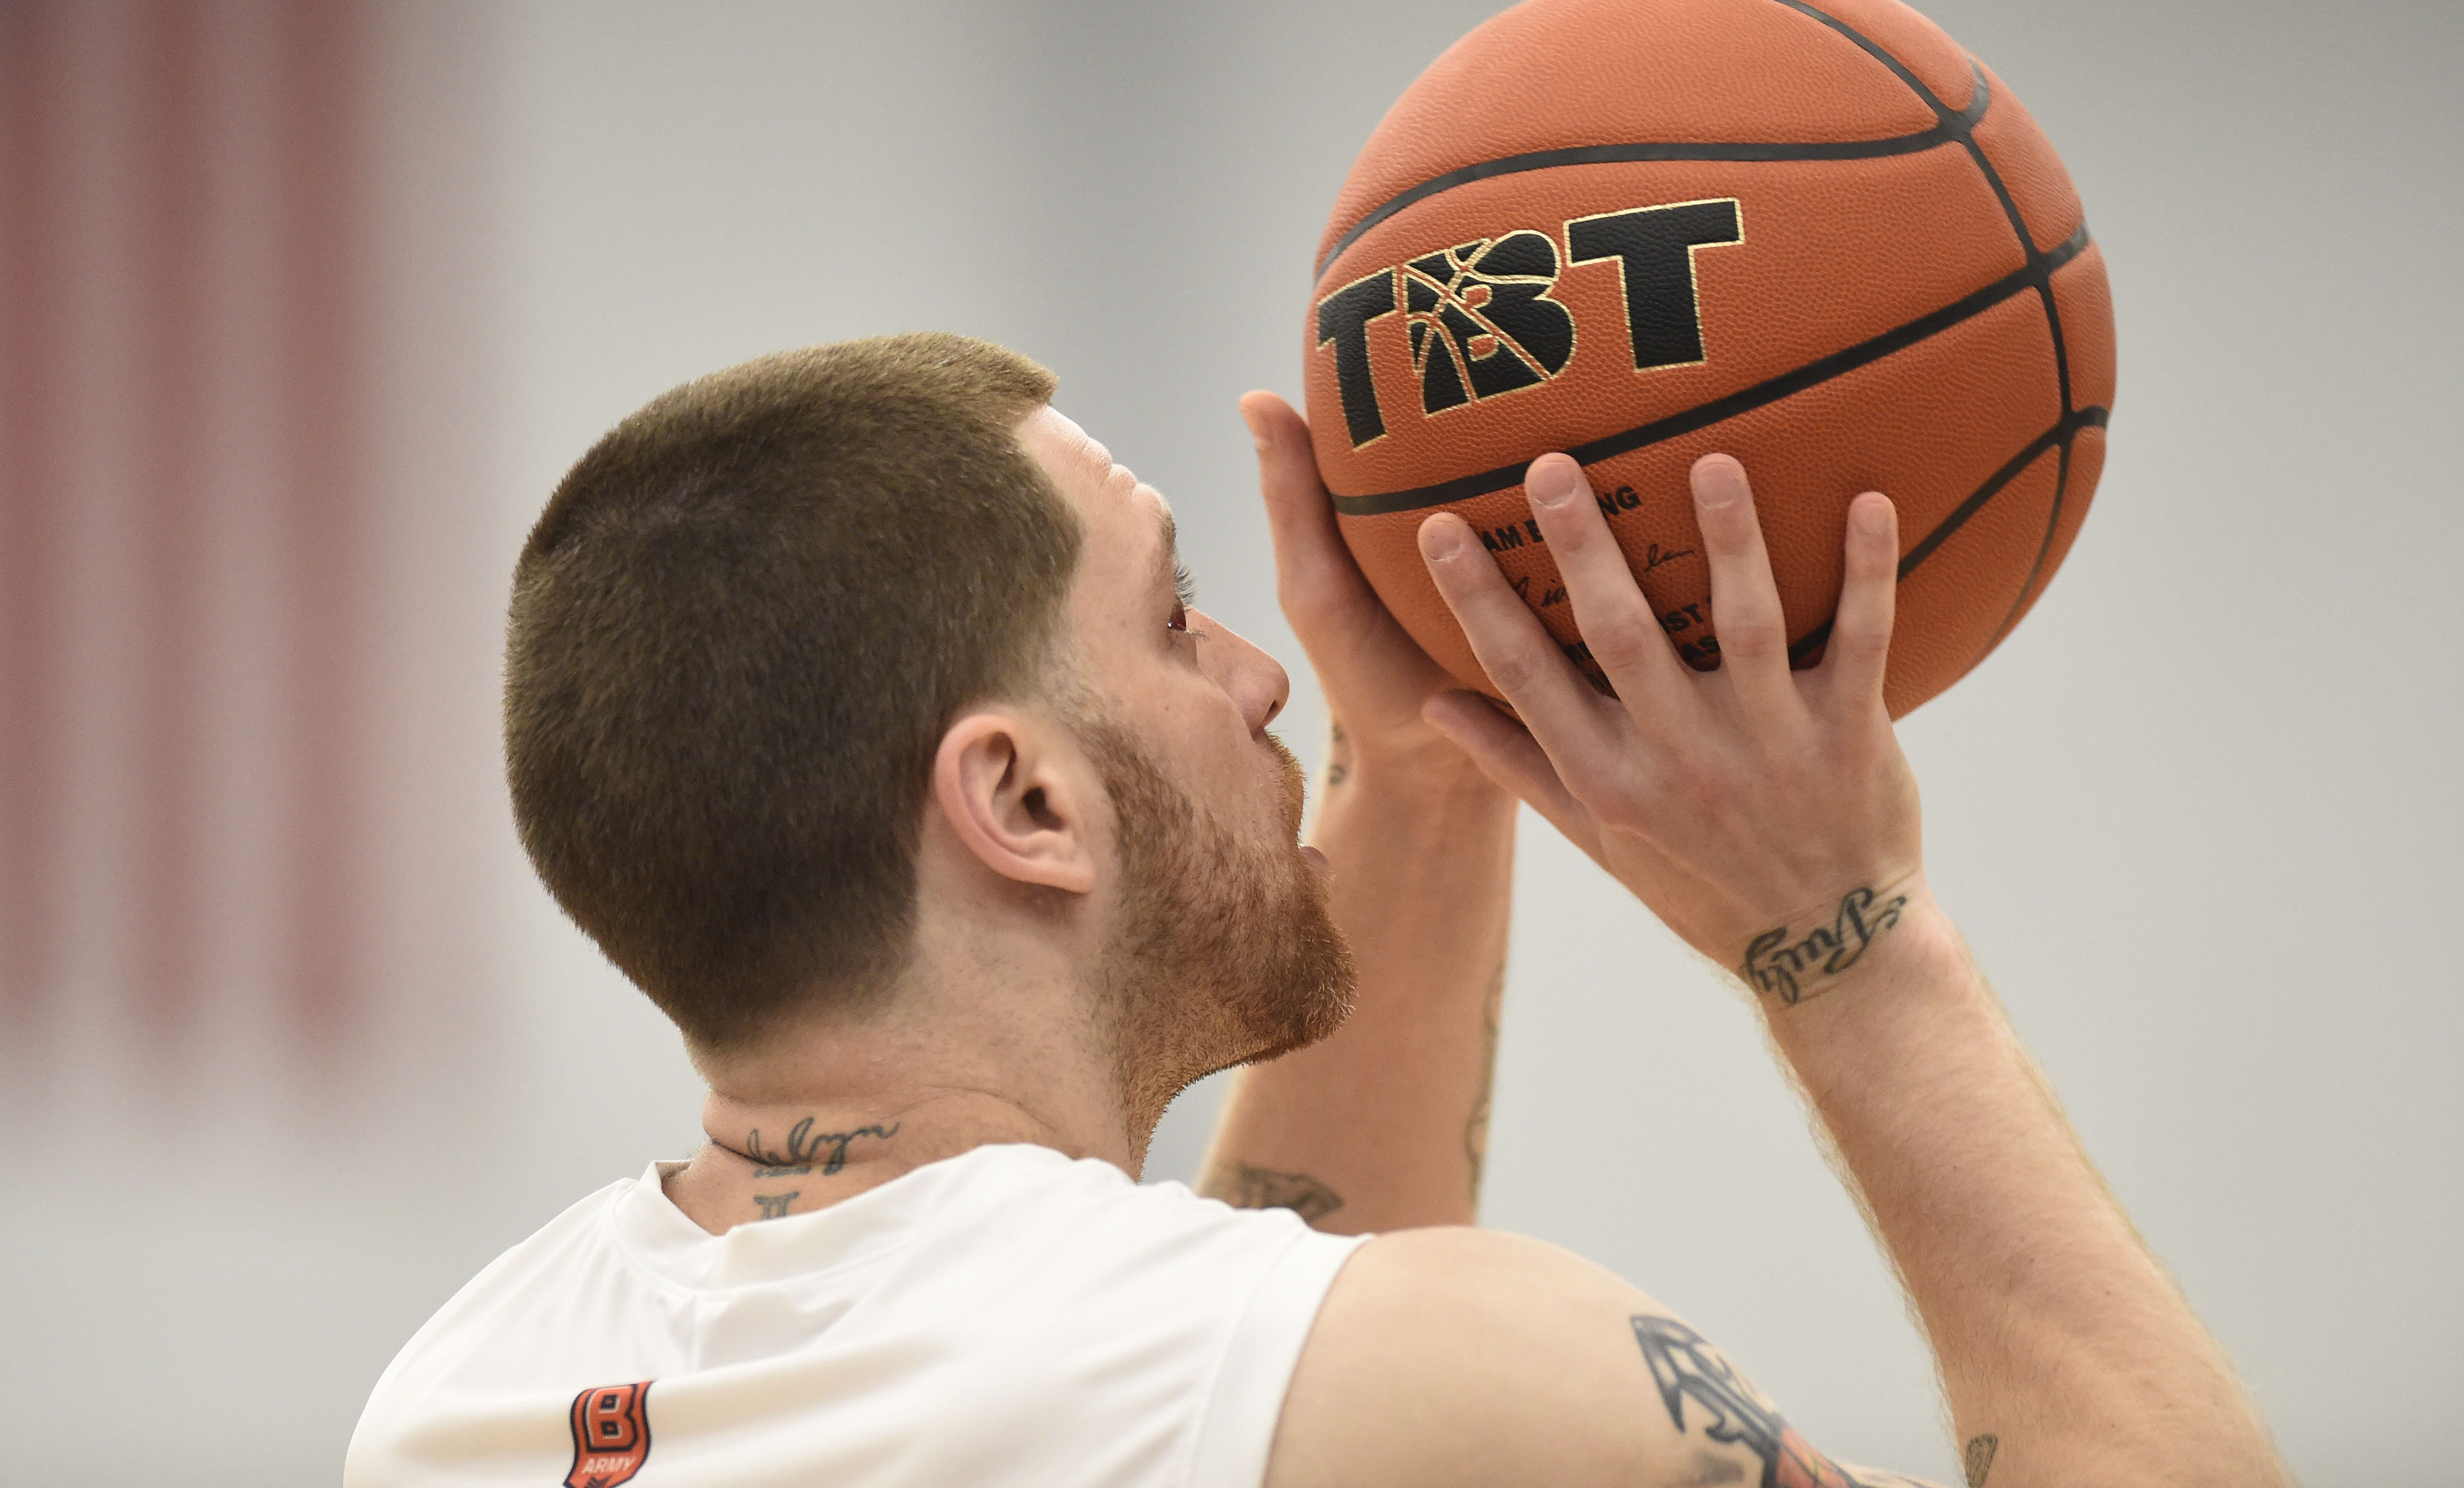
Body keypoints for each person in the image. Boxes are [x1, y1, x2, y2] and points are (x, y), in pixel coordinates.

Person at [345, 334, 2287, 1488]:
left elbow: (1230, 1357)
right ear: (1023, 799)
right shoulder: (1494, 1382)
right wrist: (1852, 934)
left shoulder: (457, 1400)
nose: (1261, 670)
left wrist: (1422, 760)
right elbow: (1270, 1365)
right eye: (1176, 612)